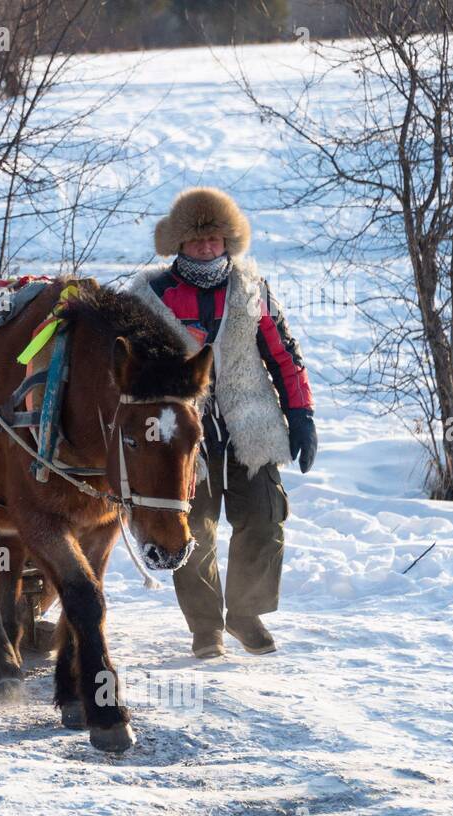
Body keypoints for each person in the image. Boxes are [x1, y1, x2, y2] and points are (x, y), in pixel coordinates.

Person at [129, 188, 317, 659]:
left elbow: (284, 356)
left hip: (251, 426)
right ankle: (205, 627)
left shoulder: (252, 289)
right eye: (197, 242)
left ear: (229, 240)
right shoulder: (150, 297)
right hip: (181, 437)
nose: (208, 249)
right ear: (179, 245)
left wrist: (301, 416)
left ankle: (246, 614)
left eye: (215, 240)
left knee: (264, 518)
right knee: (193, 528)